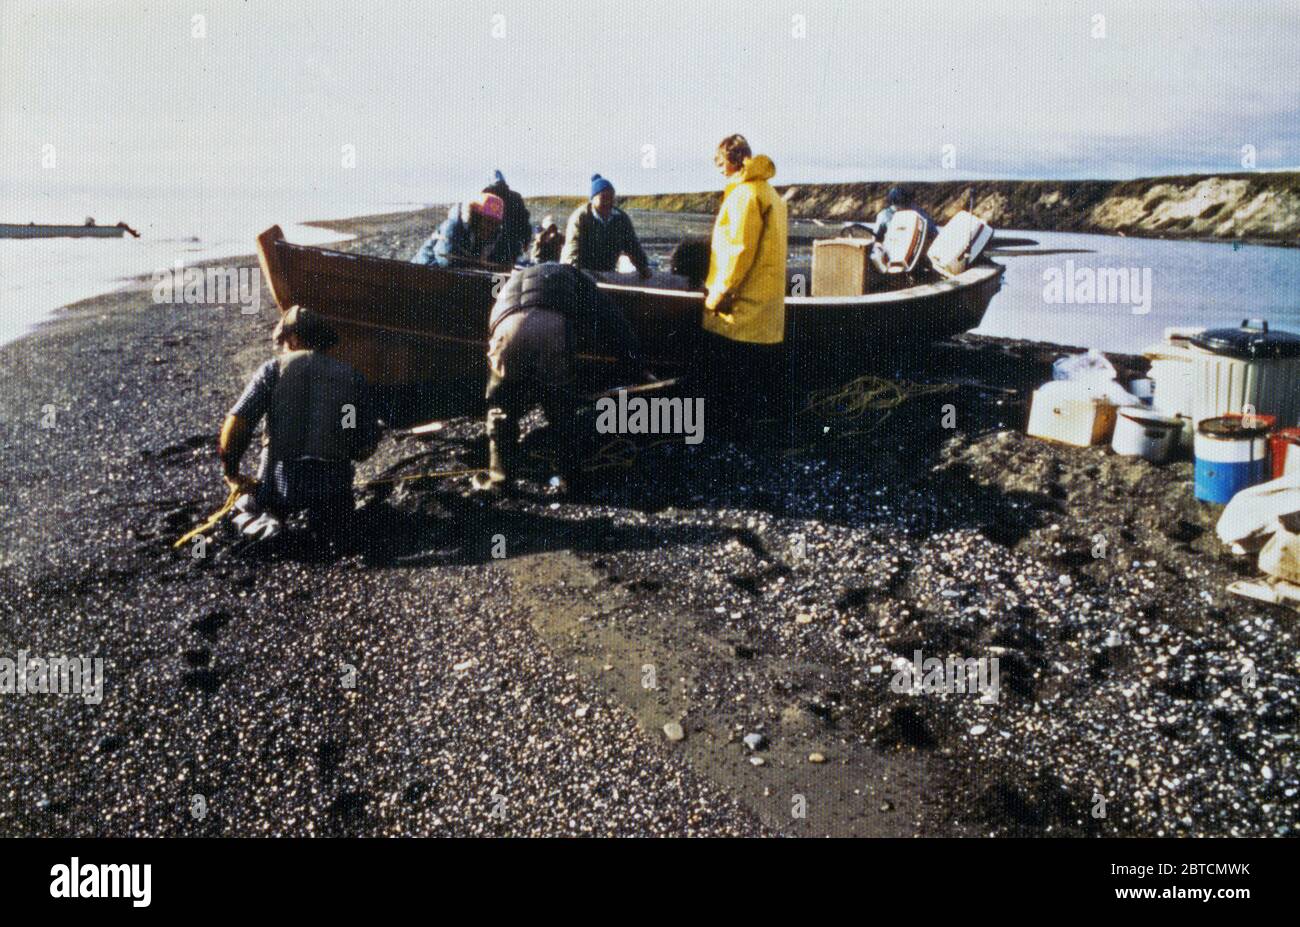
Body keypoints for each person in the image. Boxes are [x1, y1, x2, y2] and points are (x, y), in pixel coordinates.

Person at [473, 263, 647, 495]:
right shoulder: (577, 278)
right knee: (561, 412)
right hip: (551, 328)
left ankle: (500, 481)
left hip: (505, 329)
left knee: (501, 410)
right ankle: (571, 479)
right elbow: (613, 321)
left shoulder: (513, 280)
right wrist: (636, 364)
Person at [218, 306, 379, 542]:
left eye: (283, 342)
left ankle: (270, 529)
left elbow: (238, 423)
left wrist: (231, 473)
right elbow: (363, 445)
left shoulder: (273, 370)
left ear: (293, 338)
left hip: (279, 491)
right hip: (334, 496)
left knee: (239, 511)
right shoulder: (351, 377)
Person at [698, 134, 789, 442]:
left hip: (742, 305)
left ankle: (731, 434)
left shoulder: (745, 194)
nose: (719, 167)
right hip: (766, 305)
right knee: (756, 376)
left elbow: (739, 250)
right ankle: (756, 433)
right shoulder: (769, 192)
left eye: (720, 161)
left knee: (732, 375)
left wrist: (720, 293)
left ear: (734, 160)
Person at [560, 174, 651, 279]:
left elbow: (632, 246)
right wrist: (575, 275)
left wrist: (643, 267)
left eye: (611, 198)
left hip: (607, 271)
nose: (607, 202)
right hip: (581, 271)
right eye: (603, 198)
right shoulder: (580, 218)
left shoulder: (621, 218)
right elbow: (573, 249)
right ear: (593, 199)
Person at [411, 192, 512, 268]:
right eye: (488, 222)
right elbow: (446, 263)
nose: (490, 228)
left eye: (495, 224)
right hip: (422, 272)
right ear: (476, 217)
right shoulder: (453, 228)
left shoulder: (492, 236)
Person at [483, 169, 532, 261]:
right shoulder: (516, 197)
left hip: (491, 246)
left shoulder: (486, 196)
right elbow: (525, 223)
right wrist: (526, 241)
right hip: (511, 247)